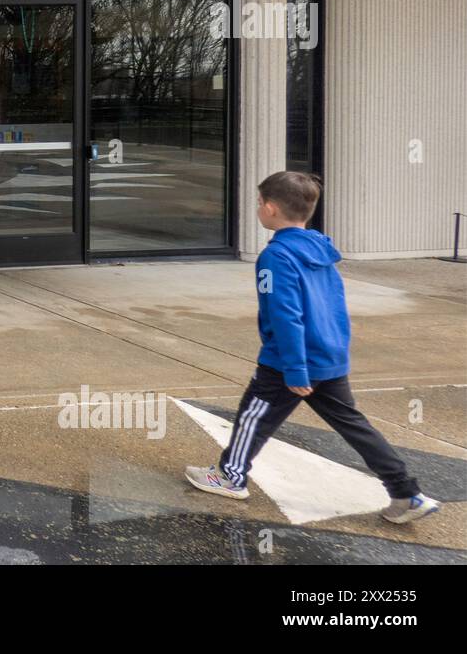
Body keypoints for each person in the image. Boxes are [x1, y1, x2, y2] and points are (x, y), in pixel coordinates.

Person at [184, 171, 439, 524]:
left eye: (259, 203)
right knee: (355, 426)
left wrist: (295, 368)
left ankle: (230, 476)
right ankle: (407, 493)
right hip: (329, 358)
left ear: (271, 209)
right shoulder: (321, 248)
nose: (258, 208)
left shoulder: (276, 256)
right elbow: (334, 305)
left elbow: (285, 314)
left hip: (289, 362)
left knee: (252, 419)